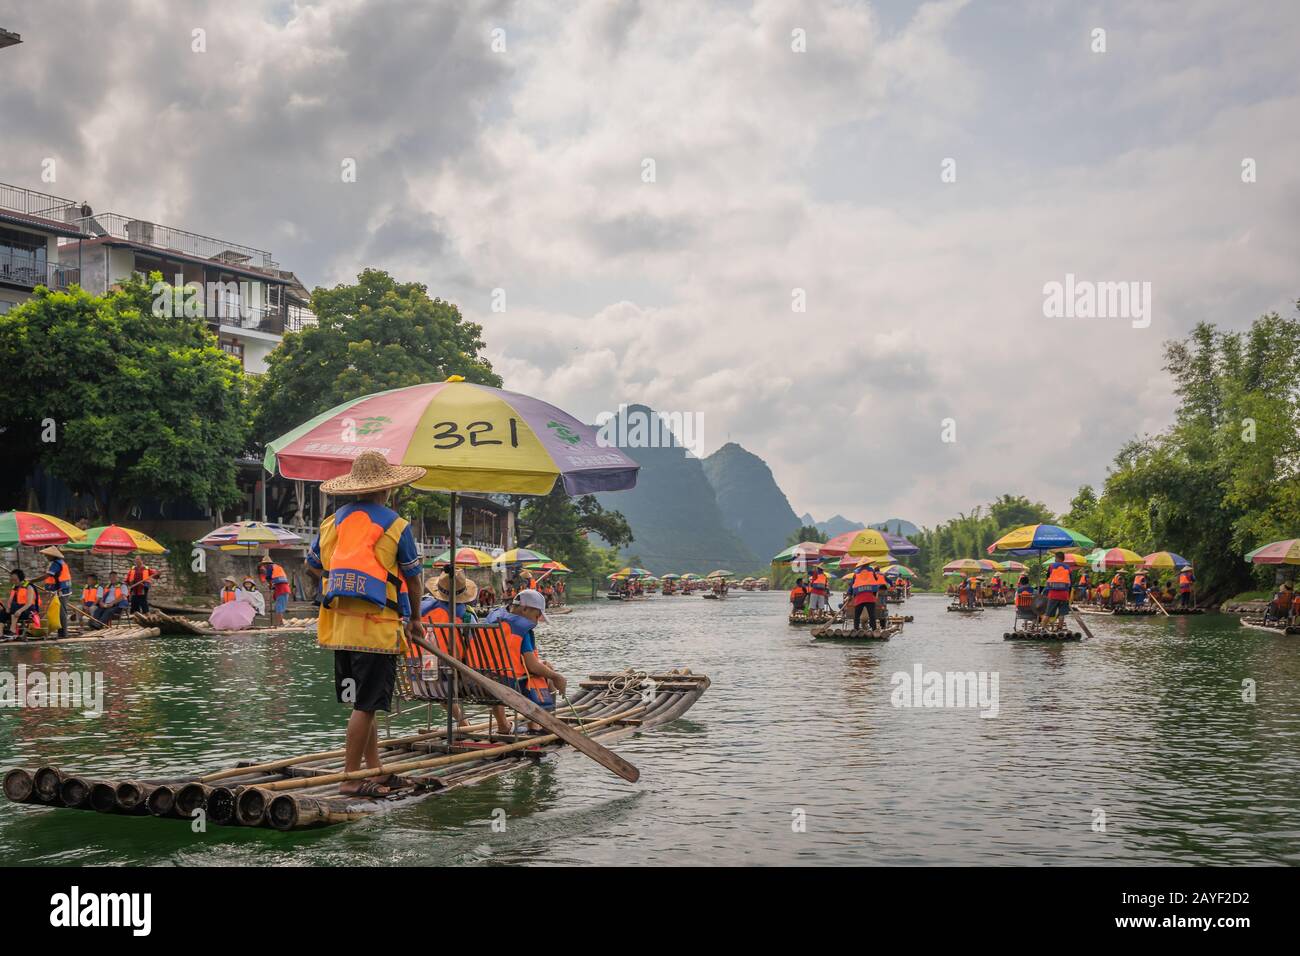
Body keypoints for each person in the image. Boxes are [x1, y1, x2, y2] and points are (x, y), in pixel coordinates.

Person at [305, 451, 425, 798]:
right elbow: (415, 580)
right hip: (376, 629)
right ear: (387, 489)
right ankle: (351, 778)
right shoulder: (397, 525)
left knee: (363, 703)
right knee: (366, 705)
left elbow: (313, 566)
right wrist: (416, 618)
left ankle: (375, 770)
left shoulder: (331, 523)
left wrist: (339, 581)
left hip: (337, 628)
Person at [484, 589, 566, 733]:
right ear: (525, 608)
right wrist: (556, 676)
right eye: (536, 616)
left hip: (482, 681)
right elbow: (532, 666)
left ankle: (503, 725)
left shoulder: (492, 619)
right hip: (510, 684)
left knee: (498, 674)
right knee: (548, 671)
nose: (536, 621)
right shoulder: (522, 628)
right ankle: (541, 725)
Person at [416, 569, 479, 727]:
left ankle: (463, 722)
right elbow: (476, 651)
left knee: (440, 671)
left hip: (417, 678)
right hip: (454, 680)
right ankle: (502, 725)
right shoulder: (466, 617)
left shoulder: (417, 613)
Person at [39, 546, 72, 638]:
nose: (46, 557)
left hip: (62, 591)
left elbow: (47, 575)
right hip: (60, 590)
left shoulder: (56, 564)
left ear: (52, 555)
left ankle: (63, 634)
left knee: (62, 612)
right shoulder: (57, 562)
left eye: (47, 555)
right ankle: (61, 632)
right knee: (59, 611)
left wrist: (31, 581)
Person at [1, 569, 40, 639]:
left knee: (14, 605)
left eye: (15, 580)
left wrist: (20, 611)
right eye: (12, 580)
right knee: (2, 612)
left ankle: (12, 631)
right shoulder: (14, 587)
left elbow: (29, 603)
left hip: (28, 611)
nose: (13, 581)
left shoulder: (29, 587)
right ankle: (0, 634)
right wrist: (7, 608)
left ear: (20, 579)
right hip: (15, 611)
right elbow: (10, 600)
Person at [258, 554, 292, 627]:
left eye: (264, 564)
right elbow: (273, 580)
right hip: (281, 588)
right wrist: (271, 586)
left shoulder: (270, 567)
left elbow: (269, 578)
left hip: (282, 589)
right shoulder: (276, 567)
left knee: (279, 607)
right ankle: (281, 623)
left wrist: (270, 585)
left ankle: (278, 624)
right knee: (279, 607)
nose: (264, 567)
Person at [849, 561, 885, 631]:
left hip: (859, 597)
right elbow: (876, 579)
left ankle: (856, 628)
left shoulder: (856, 573)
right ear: (868, 564)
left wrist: (849, 594)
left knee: (857, 616)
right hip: (869, 597)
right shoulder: (871, 571)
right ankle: (874, 629)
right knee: (872, 615)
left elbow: (852, 585)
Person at [1044, 553, 1074, 622]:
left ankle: (1043, 628)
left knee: (1047, 614)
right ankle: (1060, 628)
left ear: (1057, 558)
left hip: (1053, 594)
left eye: (1055, 558)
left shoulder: (1051, 566)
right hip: (1064, 595)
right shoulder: (1068, 568)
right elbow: (1071, 582)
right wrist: (1068, 596)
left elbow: (1048, 578)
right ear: (1063, 559)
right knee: (1061, 614)